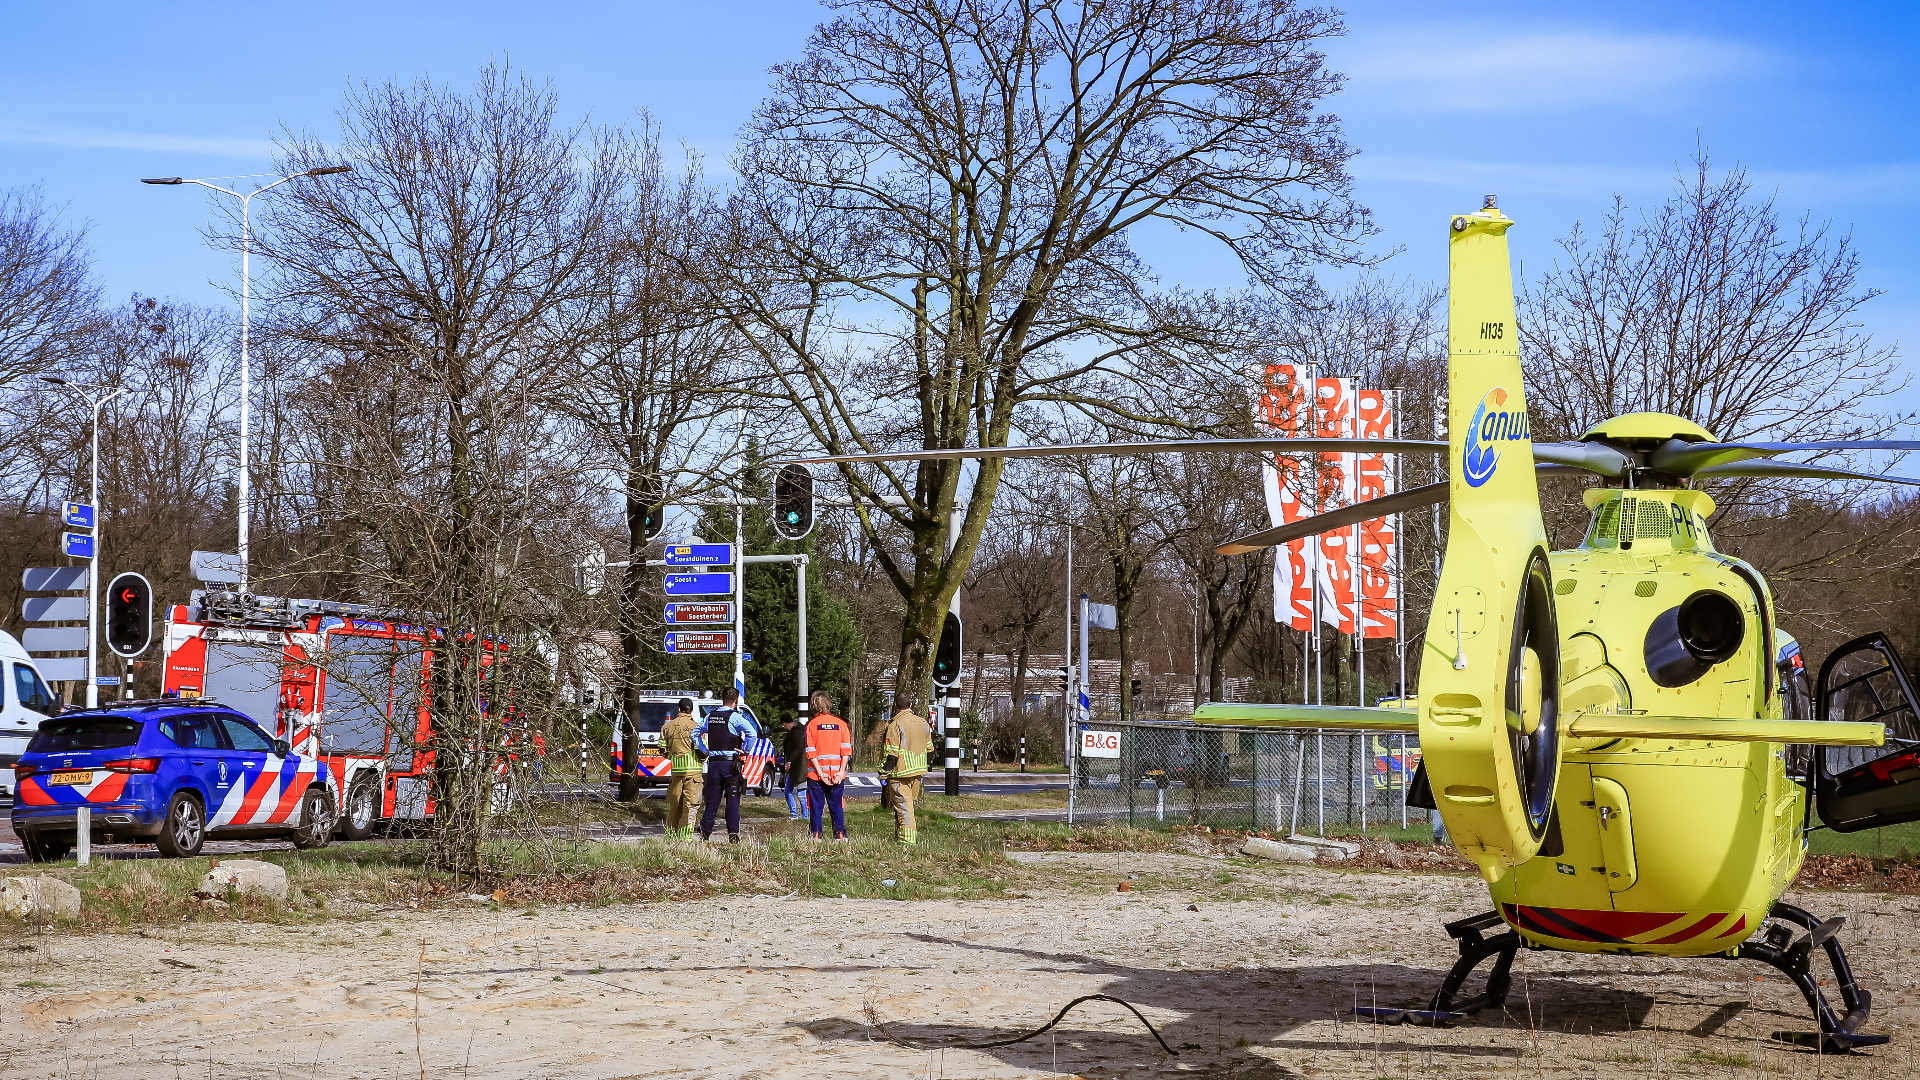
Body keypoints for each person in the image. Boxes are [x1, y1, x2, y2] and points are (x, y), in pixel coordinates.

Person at [699, 687, 760, 843]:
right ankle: (733, 835)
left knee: (712, 800)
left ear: (722, 699)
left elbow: (695, 733)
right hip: (730, 764)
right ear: (735, 701)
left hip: (713, 764)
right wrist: (745, 750)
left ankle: (705, 834)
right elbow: (752, 733)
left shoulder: (710, 716)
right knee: (732, 799)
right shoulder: (735, 717)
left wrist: (704, 750)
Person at [881, 691, 933, 844]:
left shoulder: (894, 725)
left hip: (900, 775)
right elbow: (930, 750)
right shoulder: (923, 723)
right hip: (917, 774)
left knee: (904, 809)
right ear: (911, 705)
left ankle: (907, 842)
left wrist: (883, 773)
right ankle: (899, 837)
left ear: (896, 706)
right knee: (906, 807)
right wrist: (923, 768)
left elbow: (892, 755)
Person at [804, 690, 853, 840]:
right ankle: (840, 836)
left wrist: (820, 773)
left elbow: (811, 753)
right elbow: (846, 751)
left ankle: (816, 836)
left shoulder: (811, 726)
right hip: (837, 774)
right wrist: (841, 771)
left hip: (816, 775)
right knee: (836, 806)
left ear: (813, 706)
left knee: (816, 808)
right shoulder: (842, 725)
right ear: (829, 704)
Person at [661, 698, 703, 840]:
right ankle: (685, 839)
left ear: (679, 709)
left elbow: (662, 749)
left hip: (676, 775)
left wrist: (674, 757)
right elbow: (701, 751)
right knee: (690, 807)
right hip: (693, 776)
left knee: (675, 807)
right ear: (691, 710)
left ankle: (670, 837)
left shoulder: (667, 727)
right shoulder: (696, 727)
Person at [782, 713, 811, 822]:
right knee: (788, 791)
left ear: (785, 723)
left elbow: (800, 747)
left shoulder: (796, 733)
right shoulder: (798, 731)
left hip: (800, 768)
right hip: (795, 768)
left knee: (801, 794)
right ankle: (795, 815)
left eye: (783, 725)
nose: (783, 727)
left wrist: (790, 760)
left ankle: (804, 816)